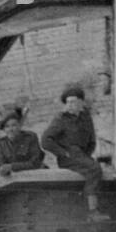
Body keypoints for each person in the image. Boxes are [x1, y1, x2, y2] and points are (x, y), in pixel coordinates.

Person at [42, 85, 108, 223]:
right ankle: (92, 211)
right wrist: (63, 153)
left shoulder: (86, 117)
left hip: (82, 155)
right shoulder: (61, 119)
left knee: (93, 169)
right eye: (68, 102)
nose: (70, 105)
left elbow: (92, 140)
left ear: (81, 102)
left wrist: (86, 155)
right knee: (94, 169)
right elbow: (45, 140)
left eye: (73, 101)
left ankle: (92, 211)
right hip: (68, 156)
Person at [0, 108, 45, 178]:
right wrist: (2, 170)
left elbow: (35, 163)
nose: (11, 129)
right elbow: (2, 165)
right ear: (4, 130)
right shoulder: (2, 144)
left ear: (19, 126)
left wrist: (12, 166)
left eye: (14, 125)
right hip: (15, 179)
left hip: (36, 176)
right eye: (7, 127)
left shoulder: (30, 137)